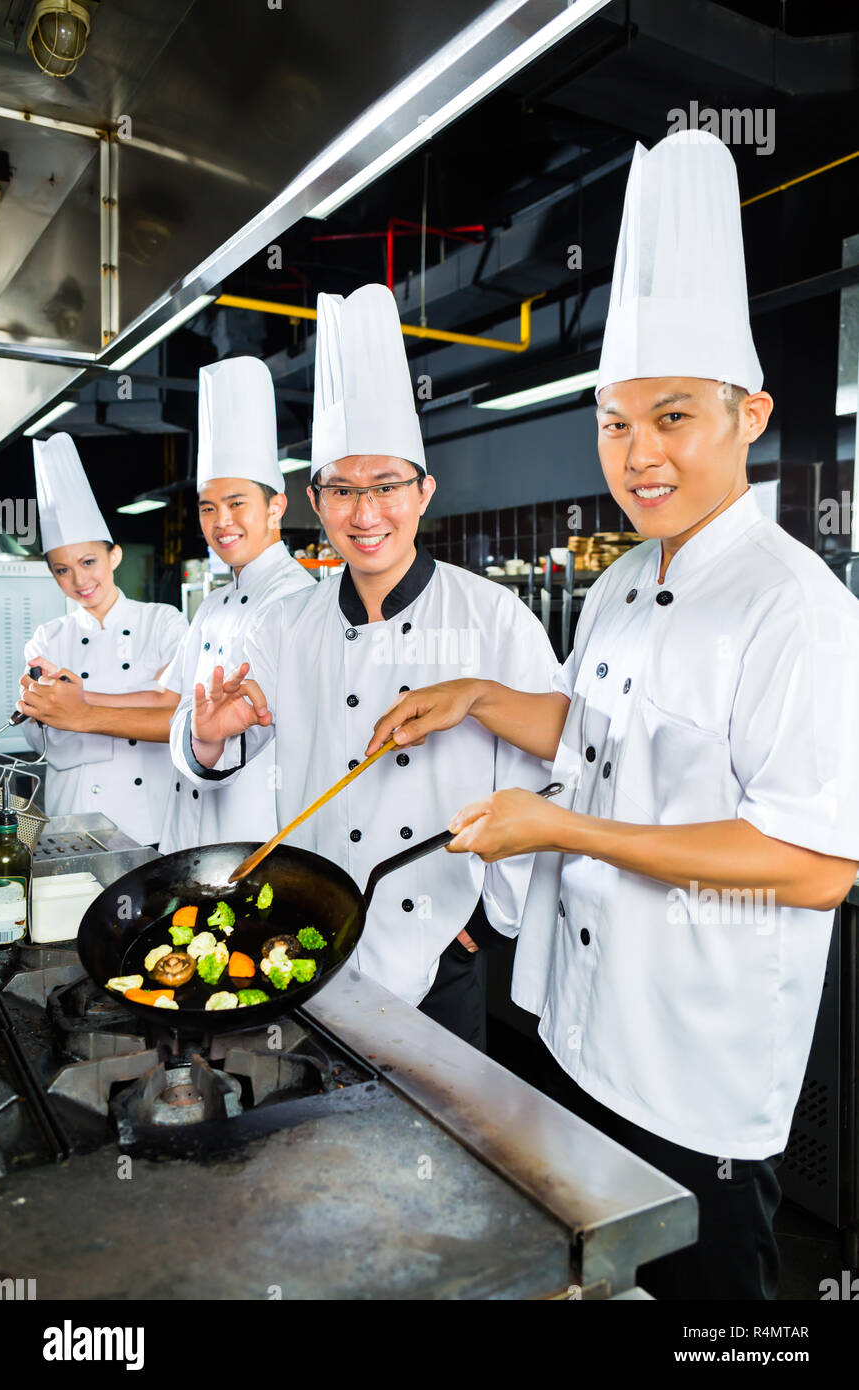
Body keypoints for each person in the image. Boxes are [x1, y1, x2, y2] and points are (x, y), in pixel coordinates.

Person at [366, 131, 859, 1298]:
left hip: (690, 1068)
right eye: (612, 420)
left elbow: (812, 865)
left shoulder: (797, 609)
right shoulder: (622, 581)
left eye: (670, 417)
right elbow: (597, 736)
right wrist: (482, 698)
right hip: (573, 1031)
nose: (634, 455)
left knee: (706, 1308)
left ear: (750, 414)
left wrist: (563, 832)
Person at [169, 284, 559, 1047]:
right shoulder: (285, 622)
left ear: (424, 493)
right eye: (343, 490)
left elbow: (552, 764)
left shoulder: (490, 617)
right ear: (315, 499)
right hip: (311, 934)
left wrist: (483, 909)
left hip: (439, 942)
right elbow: (226, 752)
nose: (365, 512)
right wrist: (213, 734)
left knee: (440, 1151)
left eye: (386, 487)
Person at [18, 358, 314, 852]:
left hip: (253, 839)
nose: (222, 522)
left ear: (276, 505)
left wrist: (83, 712)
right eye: (207, 507)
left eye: (237, 502)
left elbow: (228, 733)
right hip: (188, 835)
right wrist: (67, 704)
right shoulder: (214, 605)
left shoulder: (295, 603)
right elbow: (174, 705)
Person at [22, 434, 187, 845]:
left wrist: (77, 705)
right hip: (73, 818)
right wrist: (145, 696)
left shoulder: (163, 621)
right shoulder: (48, 637)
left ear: (114, 555)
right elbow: (44, 735)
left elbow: (180, 713)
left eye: (88, 561)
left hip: (151, 815)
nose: (79, 580)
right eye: (61, 570)